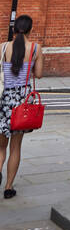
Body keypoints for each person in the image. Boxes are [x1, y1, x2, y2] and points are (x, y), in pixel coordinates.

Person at [0, 15, 43, 198]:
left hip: (4, 99)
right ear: (30, 29)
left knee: (0, 147)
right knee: (15, 147)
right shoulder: (35, 48)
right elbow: (39, 74)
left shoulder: (3, 47)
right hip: (22, 102)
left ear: (14, 29)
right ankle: (9, 187)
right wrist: (30, 66)